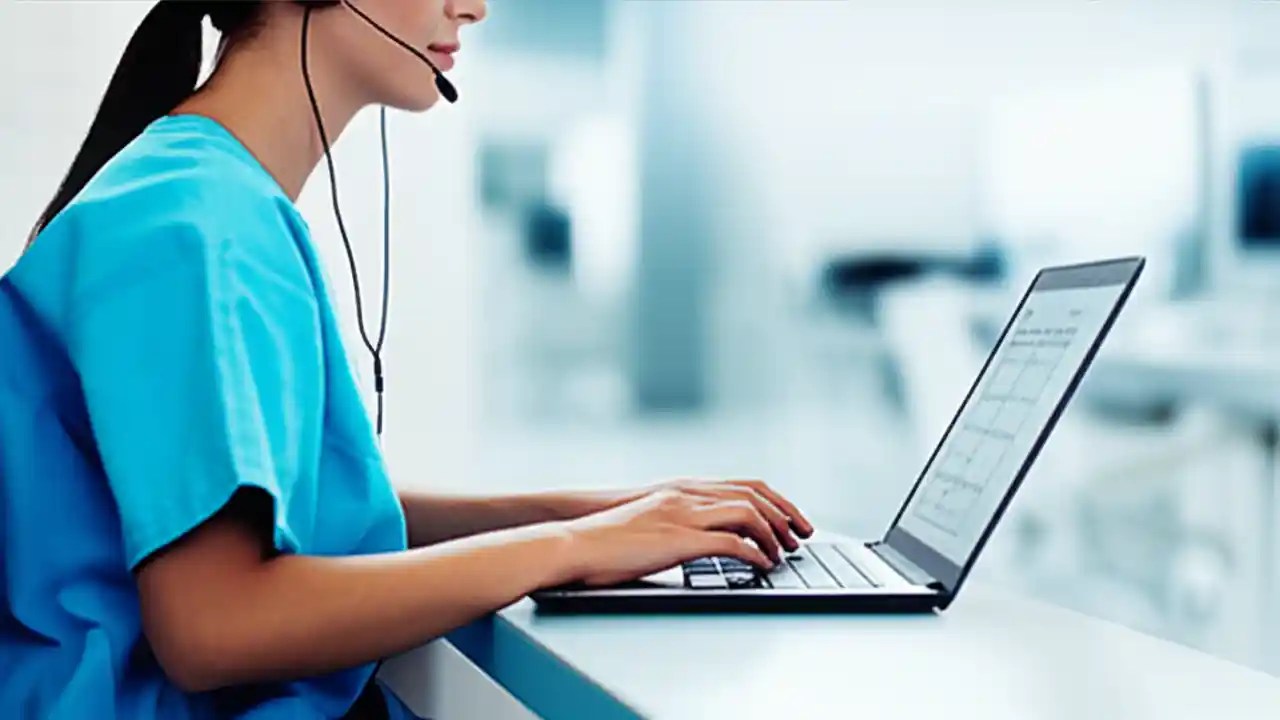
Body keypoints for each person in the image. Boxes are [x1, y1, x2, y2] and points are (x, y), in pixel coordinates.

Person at [0, 1, 813, 717]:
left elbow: (281, 518)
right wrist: (573, 549)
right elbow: (214, 623)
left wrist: (599, 513)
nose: (476, 7)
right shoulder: (194, 224)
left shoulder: (204, 195)